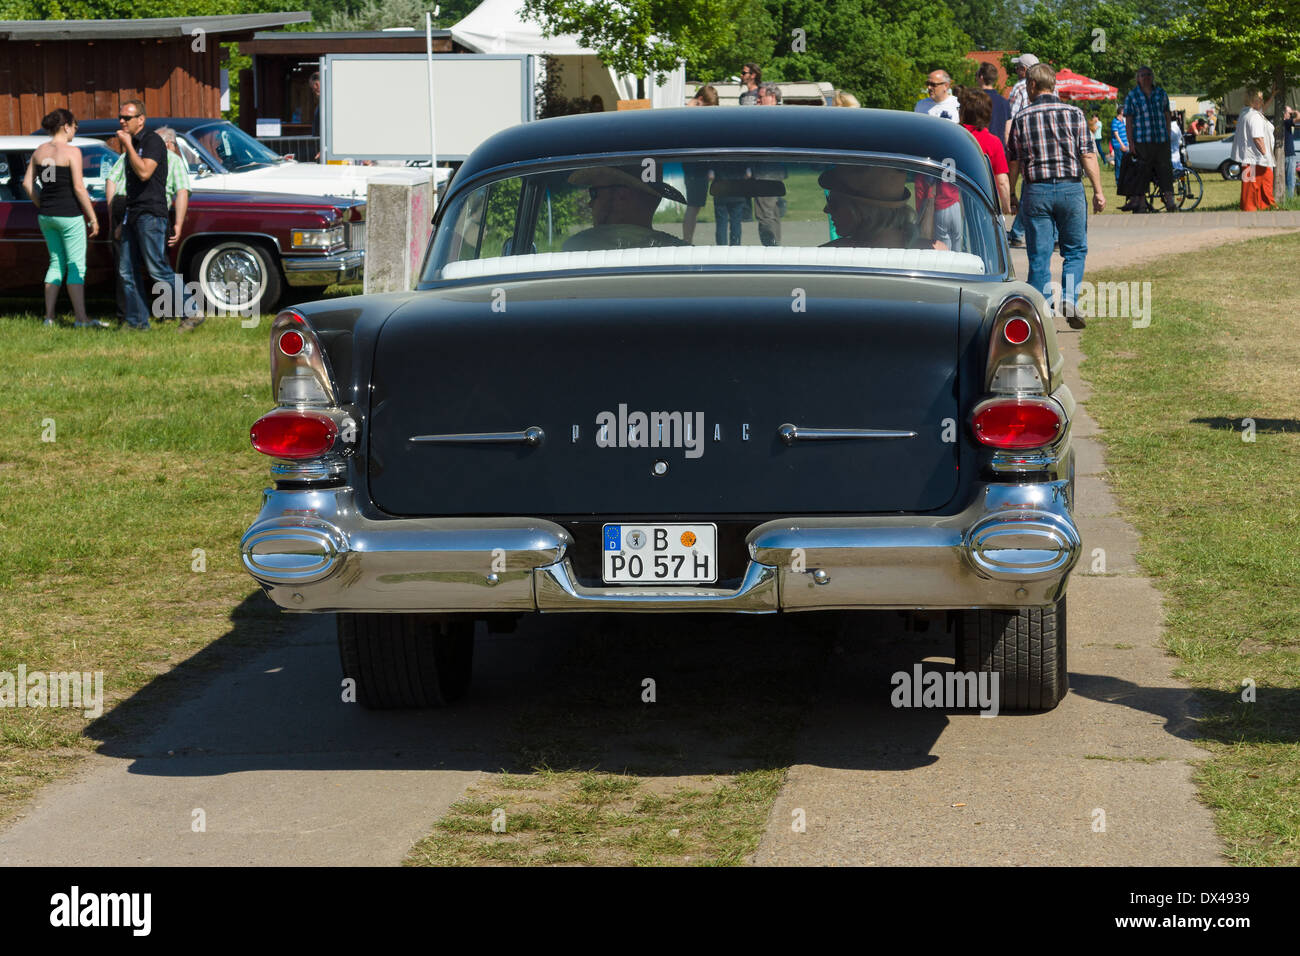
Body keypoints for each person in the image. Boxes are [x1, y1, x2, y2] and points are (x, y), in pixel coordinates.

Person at [1006, 63, 1106, 328]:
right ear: (1054, 86)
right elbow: (1087, 154)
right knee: (1074, 249)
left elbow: (1014, 161)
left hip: (1036, 190)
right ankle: (1070, 298)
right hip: (1070, 189)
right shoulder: (1074, 114)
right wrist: (1098, 190)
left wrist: (1013, 193)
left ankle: (1040, 312)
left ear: (1032, 86)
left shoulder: (1022, 118)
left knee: (1039, 253)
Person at [21, 108, 103, 327]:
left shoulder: (40, 150)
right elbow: (78, 187)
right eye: (75, 126)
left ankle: (49, 317)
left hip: (46, 216)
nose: (75, 131)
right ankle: (81, 318)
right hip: (69, 215)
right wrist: (93, 217)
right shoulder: (72, 151)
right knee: (76, 266)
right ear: (66, 126)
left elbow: (27, 184)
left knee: (56, 263)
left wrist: (42, 204)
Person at [115, 98, 181, 331]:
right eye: (120, 117)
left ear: (141, 119)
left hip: (151, 214)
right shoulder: (132, 142)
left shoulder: (152, 141)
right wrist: (123, 220)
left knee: (157, 269)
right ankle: (137, 322)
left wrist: (128, 147)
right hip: (133, 214)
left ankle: (192, 311)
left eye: (127, 117)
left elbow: (144, 172)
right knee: (126, 270)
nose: (122, 121)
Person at [563, 165, 688, 251]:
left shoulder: (577, 248)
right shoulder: (683, 253)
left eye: (594, 193)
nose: (590, 204)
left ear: (621, 196)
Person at [819, 166, 919, 249]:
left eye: (834, 203)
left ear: (864, 211)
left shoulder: (830, 255)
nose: (826, 210)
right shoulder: (929, 252)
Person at [1122, 66, 1176, 212]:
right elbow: (1128, 121)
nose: (1146, 77)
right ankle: (1140, 203)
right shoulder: (1132, 96)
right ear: (1138, 79)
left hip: (1161, 139)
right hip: (1141, 140)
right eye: (1142, 75)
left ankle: (1170, 200)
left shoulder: (1160, 93)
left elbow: (1167, 115)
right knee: (1142, 172)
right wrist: (1130, 142)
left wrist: (1168, 134)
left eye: (1148, 75)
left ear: (1152, 77)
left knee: (1165, 169)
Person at [956, 86, 1012, 215]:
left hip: (954, 201)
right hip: (984, 202)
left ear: (963, 112)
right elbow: (1002, 181)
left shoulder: (954, 136)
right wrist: (1006, 207)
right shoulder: (993, 142)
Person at [1004, 52, 1039, 247]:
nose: (1016, 70)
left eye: (1018, 67)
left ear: (1024, 70)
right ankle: (1056, 235)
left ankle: (1017, 232)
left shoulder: (1019, 87)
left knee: (1029, 188)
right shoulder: (1051, 84)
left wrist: (1009, 145)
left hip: (1025, 143)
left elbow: (1011, 117)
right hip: (1044, 143)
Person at [753, 83, 788, 246]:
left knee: (765, 215)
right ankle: (776, 247)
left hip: (765, 172)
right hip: (775, 171)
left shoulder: (768, 118)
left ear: (772, 98)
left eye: (760, 97)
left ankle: (770, 248)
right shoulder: (784, 116)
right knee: (772, 214)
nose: (757, 101)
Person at [681, 85, 717, 244]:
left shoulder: (687, 112)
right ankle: (687, 240)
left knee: (694, 206)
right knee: (694, 205)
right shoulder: (690, 113)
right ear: (700, 100)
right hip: (695, 166)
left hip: (695, 165)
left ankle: (688, 239)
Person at [1232, 91, 1276, 211]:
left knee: (1248, 187)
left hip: (1247, 159)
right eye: (1260, 99)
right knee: (1264, 184)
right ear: (1253, 101)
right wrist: (1266, 155)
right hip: (1258, 159)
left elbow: (1263, 109)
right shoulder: (1255, 117)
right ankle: (1265, 207)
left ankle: (1248, 208)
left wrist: (1271, 96)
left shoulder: (1245, 112)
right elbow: (1258, 138)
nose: (1262, 101)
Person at [977, 61, 1010, 147]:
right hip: (999, 149)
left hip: (981, 149)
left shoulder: (975, 100)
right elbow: (1007, 132)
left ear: (981, 77)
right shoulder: (1005, 102)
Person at [1111, 104, 1130, 190]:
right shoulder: (1115, 121)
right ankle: (1118, 182)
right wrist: (1122, 144)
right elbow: (1116, 134)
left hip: (1126, 146)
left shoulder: (1123, 121)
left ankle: (1125, 181)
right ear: (1121, 112)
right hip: (1119, 146)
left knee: (1126, 164)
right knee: (1119, 164)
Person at [1284, 106, 1297, 198]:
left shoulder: (1280, 123)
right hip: (1289, 155)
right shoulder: (1286, 122)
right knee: (1291, 180)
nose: (1291, 115)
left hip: (1283, 155)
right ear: (1285, 113)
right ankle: (1290, 199)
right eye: (1289, 113)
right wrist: (1295, 112)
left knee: (1284, 180)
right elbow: (1299, 118)